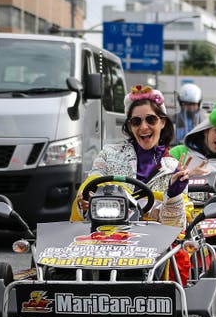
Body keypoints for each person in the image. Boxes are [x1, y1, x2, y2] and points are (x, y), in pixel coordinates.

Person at [74, 84, 191, 228]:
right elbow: (88, 197)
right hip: (107, 239)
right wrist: (86, 202)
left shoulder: (174, 169)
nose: (143, 127)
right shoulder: (108, 154)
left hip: (155, 246)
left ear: (162, 122)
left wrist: (174, 196)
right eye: (136, 121)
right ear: (130, 126)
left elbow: (174, 228)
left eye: (151, 120)